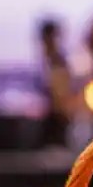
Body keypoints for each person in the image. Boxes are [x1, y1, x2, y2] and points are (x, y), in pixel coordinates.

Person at [37, 18, 73, 149]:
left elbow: (63, 93)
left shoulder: (60, 62)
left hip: (58, 120)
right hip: (42, 121)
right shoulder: (39, 63)